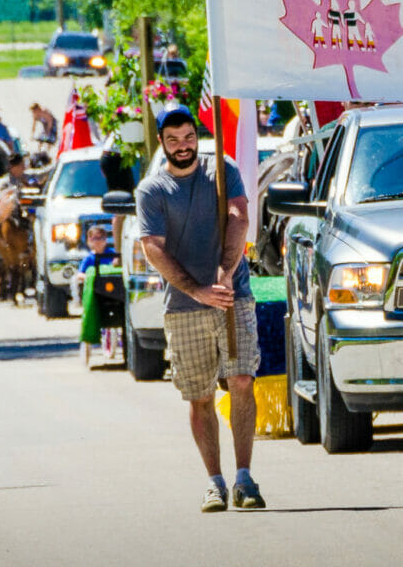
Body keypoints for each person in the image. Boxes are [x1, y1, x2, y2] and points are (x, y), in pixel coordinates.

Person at [134, 107, 265, 513]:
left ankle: (245, 478)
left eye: (188, 137)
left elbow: (239, 216)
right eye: (173, 140)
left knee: (242, 380)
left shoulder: (221, 168)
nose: (183, 147)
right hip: (184, 305)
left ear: (197, 135)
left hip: (232, 295)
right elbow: (152, 247)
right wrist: (196, 289)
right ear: (163, 143)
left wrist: (226, 275)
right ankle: (215, 482)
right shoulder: (152, 191)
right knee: (200, 396)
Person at [74, 225, 119, 353]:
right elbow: (80, 274)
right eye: (95, 238)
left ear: (106, 239)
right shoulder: (89, 258)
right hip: (94, 291)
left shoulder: (112, 254)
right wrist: (89, 276)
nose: (98, 241)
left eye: (101, 238)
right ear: (89, 241)